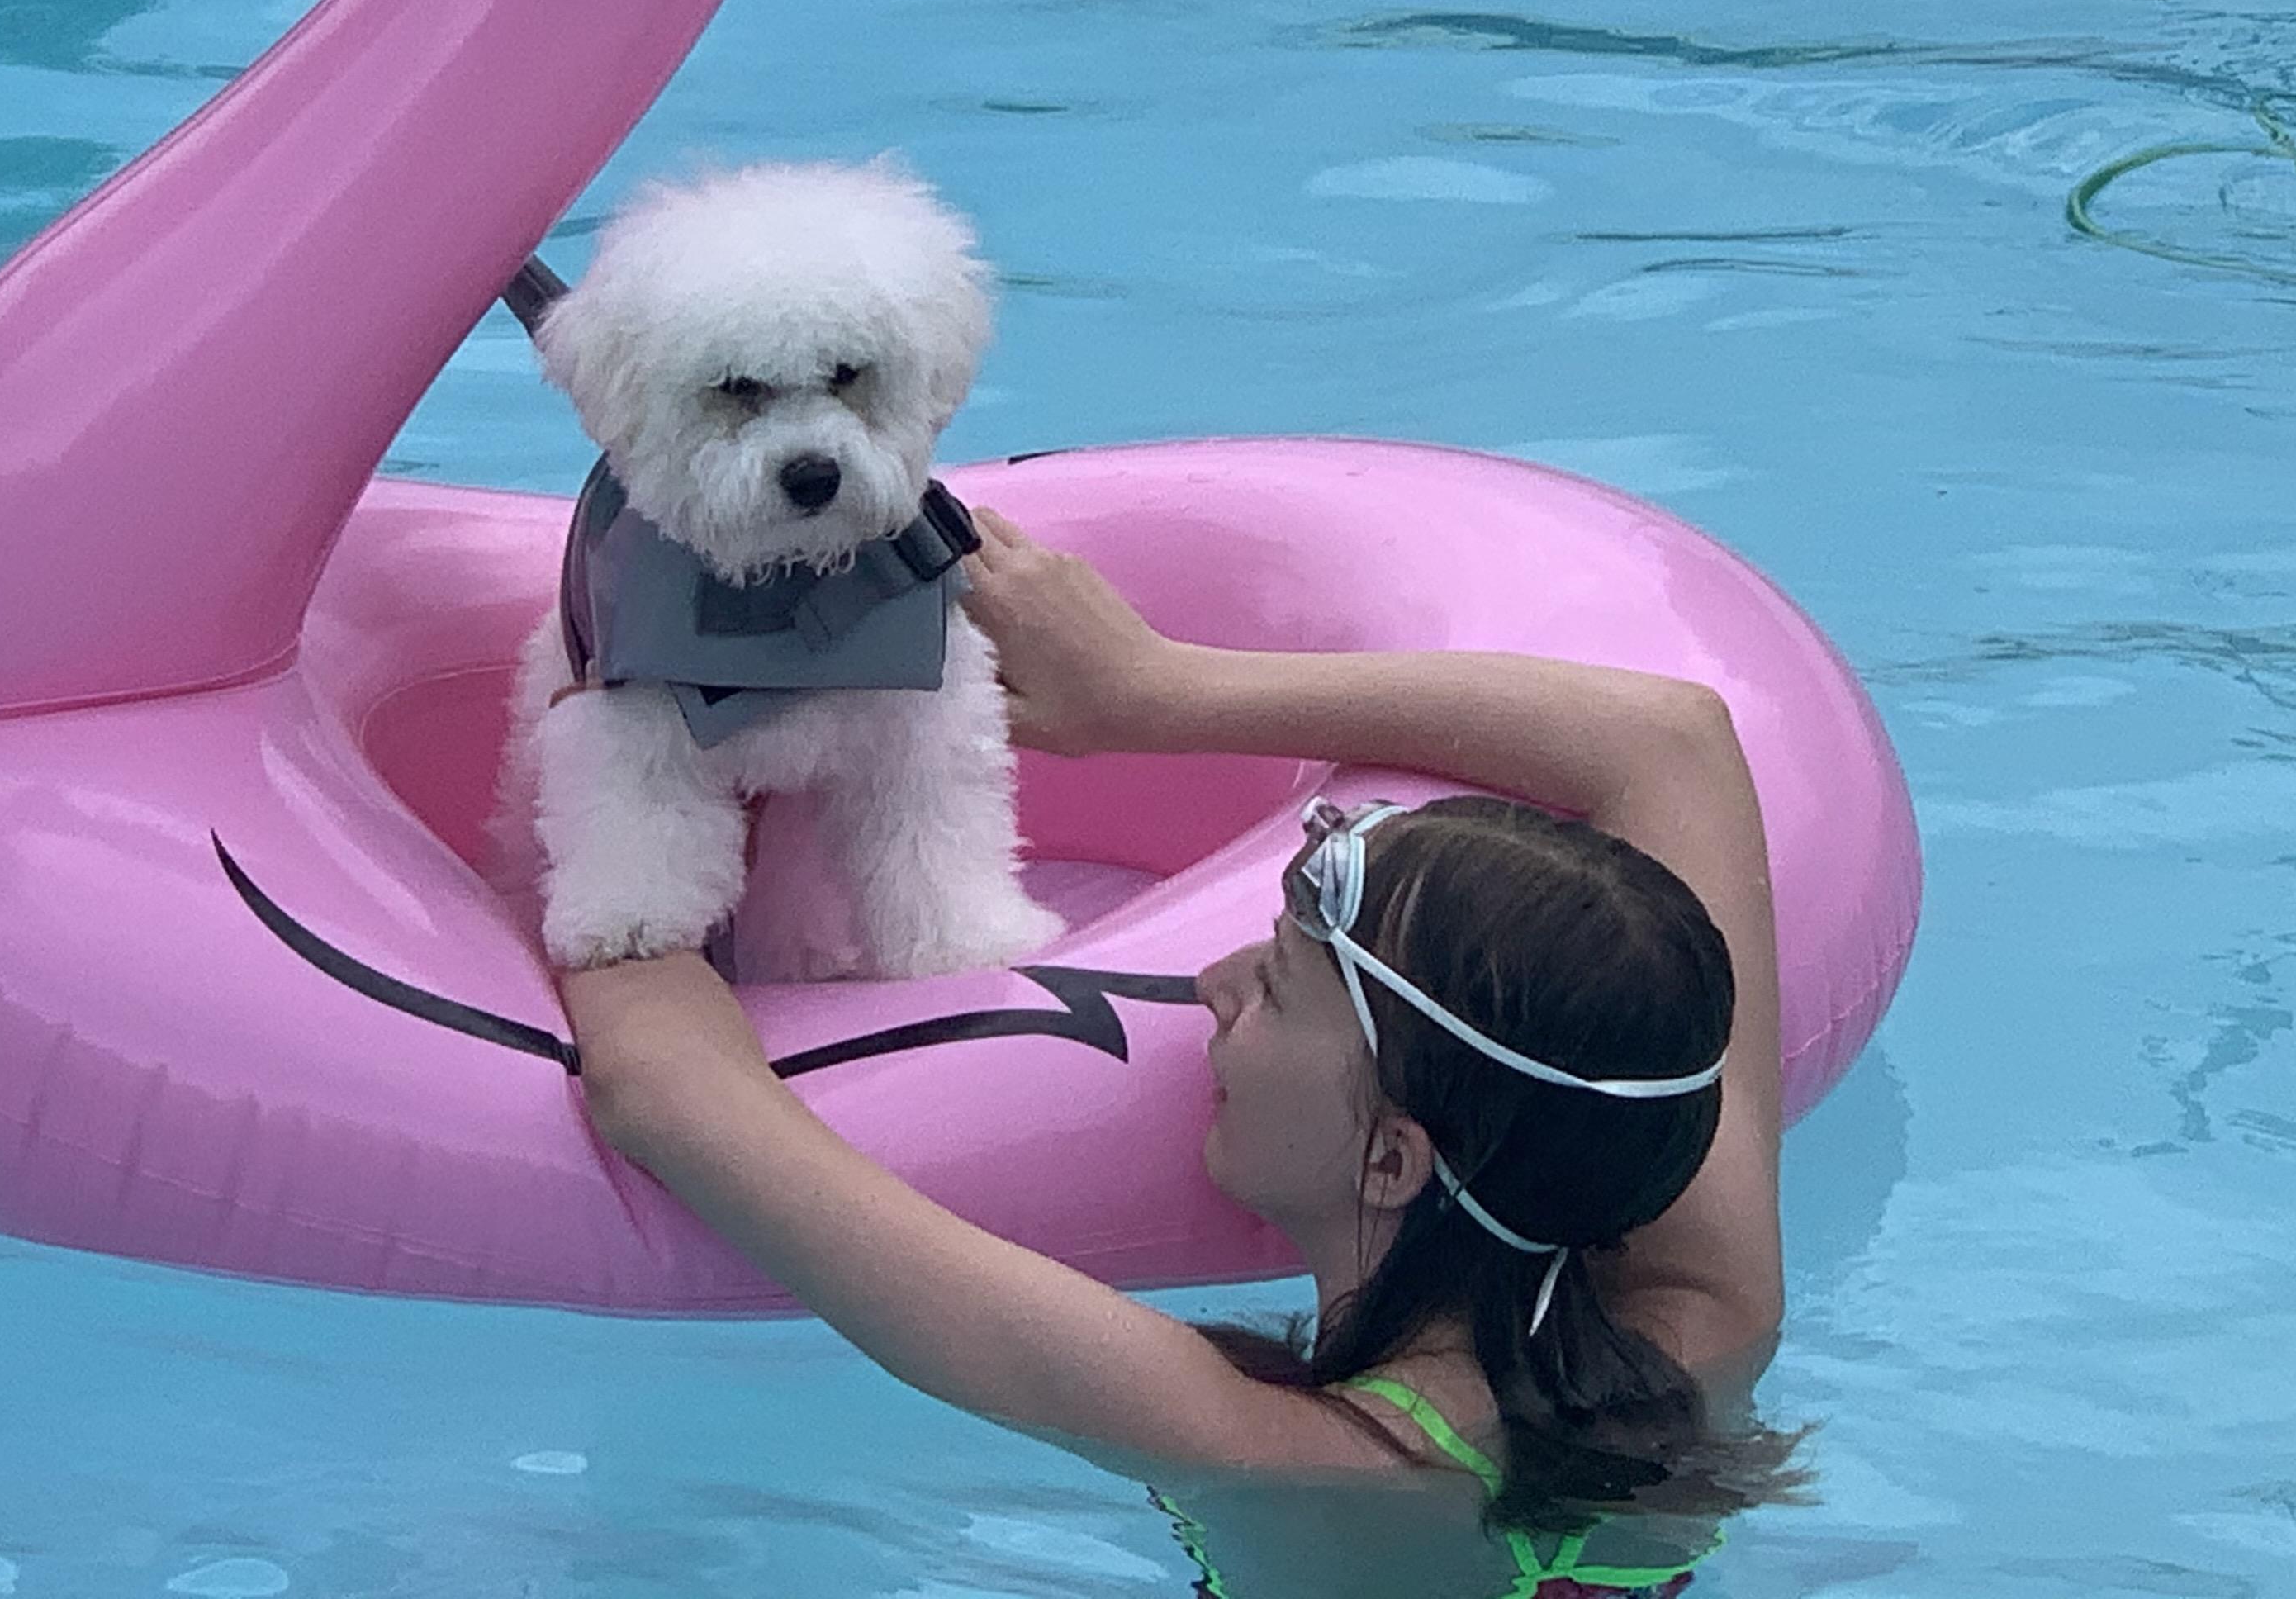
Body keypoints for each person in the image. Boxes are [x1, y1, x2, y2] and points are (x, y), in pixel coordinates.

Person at [558, 506, 1809, 1598]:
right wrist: (1148, 693)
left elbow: (668, 1094)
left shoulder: (1277, 1456)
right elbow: (1668, 744)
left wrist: (623, 754)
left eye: (1270, 986)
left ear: (1391, 1157)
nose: (1209, 989)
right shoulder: (1700, 1333)